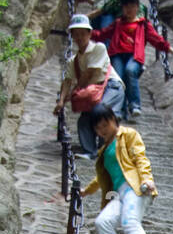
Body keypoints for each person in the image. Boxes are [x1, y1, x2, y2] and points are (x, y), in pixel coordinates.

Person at [82, 103, 158, 234]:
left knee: (129, 220)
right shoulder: (103, 150)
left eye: (105, 124)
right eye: (98, 128)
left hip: (135, 188)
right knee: (102, 222)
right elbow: (102, 178)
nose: (102, 130)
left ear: (114, 120)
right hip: (119, 194)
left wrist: (147, 179)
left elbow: (140, 158)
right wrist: (86, 191)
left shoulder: (128, 135)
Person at [92, 0, 173, 117]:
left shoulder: (143, 24)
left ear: (137, 7)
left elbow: (156, 39)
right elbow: (103, 34)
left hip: (134, 56)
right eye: (126, 6)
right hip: (117, 55)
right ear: (122, 8)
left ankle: (135, 105)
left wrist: (171, 50)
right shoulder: (118, 23)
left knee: (130, 71)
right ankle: (120, 110)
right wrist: (86, 33)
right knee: (118, 79)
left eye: (132, 6)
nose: (129, 10)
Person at [54, 14, 126, 157]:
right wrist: (61, 101)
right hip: (94, 92)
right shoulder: (73, 61)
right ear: (72, 36)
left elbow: (91, 73)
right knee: (84, 120)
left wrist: (74, 93)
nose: (79, 37)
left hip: (111, 87)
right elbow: (67, 80)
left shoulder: (98, 48)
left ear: (89, 33)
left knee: (101, 112)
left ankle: (111, 147)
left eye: (82, 33)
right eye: (76, 34)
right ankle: (90, 150)